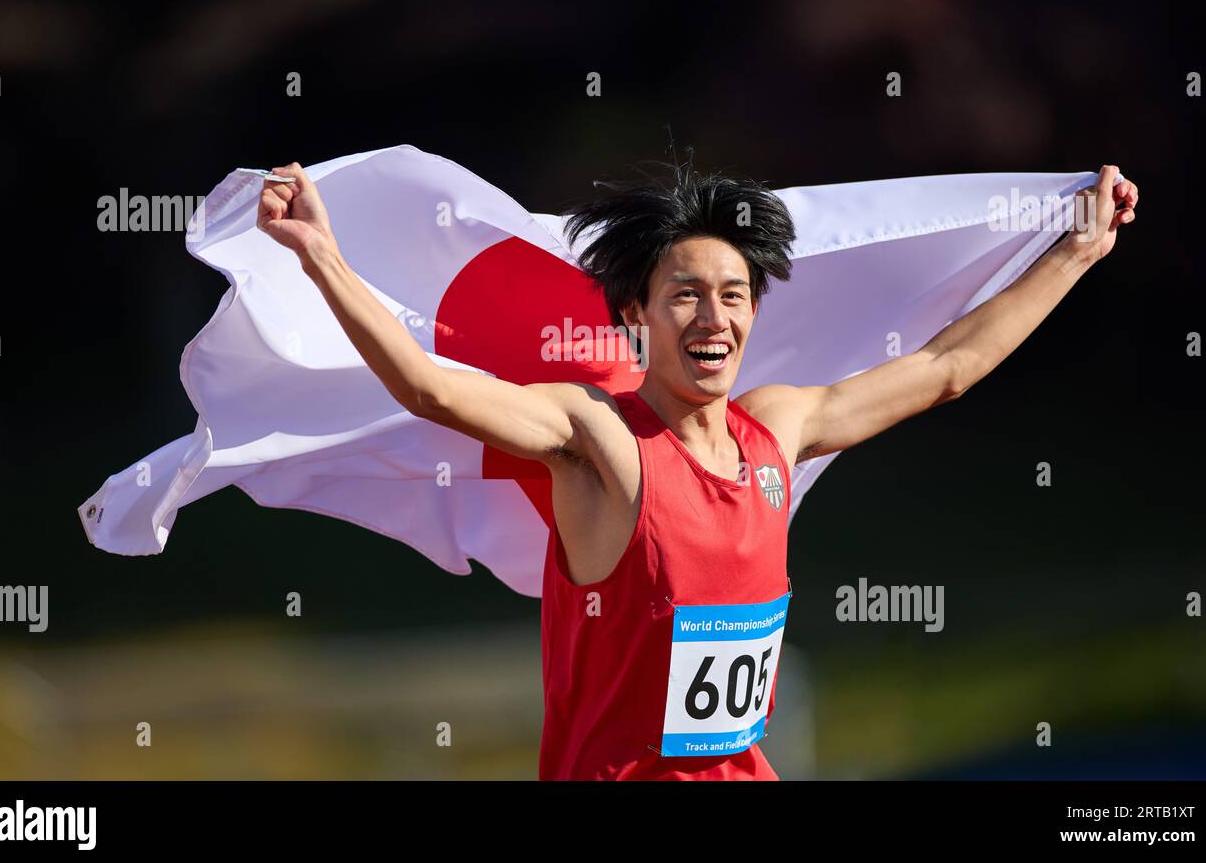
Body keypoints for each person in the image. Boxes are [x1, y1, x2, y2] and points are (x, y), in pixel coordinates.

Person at [254, 155, 1138, 780]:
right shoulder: (597, 438)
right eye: (684, 294)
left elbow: (947, 370)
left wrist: (1077, 252)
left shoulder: (780, 428)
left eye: (733, 295)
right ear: (636, 313)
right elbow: (433, 391)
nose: (711, 317)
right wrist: (322, 256)